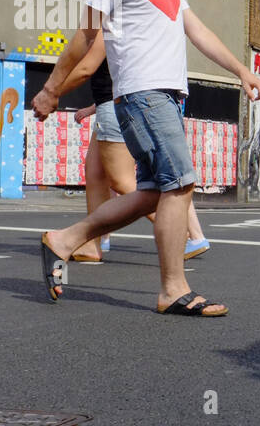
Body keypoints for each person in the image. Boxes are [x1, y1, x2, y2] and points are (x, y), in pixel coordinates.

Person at [32, 0, 260, 315]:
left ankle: (63, 240)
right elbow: (85, 38)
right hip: (141, 94)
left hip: (170, 96)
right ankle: (173, 289)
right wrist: (49, 91)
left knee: (158, 191)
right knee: (181, 183)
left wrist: (242, 72)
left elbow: (196, 31)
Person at [52, 40, 209, 262]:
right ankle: (92, 243)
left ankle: (181, 234)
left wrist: (52, 90)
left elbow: (87, 67)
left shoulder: (109, 20)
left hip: (114, 104)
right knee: (95, 173)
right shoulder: (129, 28)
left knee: (124, 181)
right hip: (111, 103)